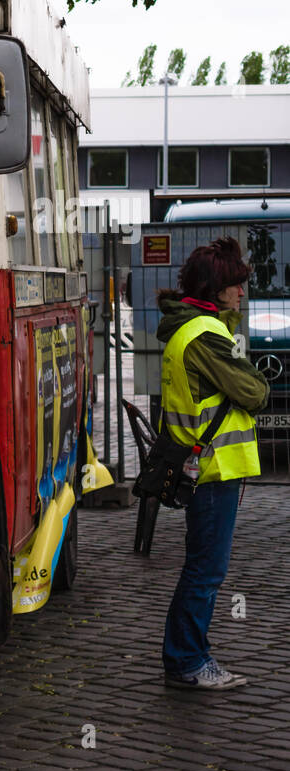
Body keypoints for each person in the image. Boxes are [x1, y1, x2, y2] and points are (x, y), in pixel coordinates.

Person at [156, 237, 268, 689]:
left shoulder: (191, 329)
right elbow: (256, 391)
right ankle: (187, 661)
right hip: (213, 469)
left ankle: (186, 657)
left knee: (202, 568)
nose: (242, 293)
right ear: (217, 287)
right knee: (205, 571)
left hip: (202, 465)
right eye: (236, 285)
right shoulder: (206, 335)